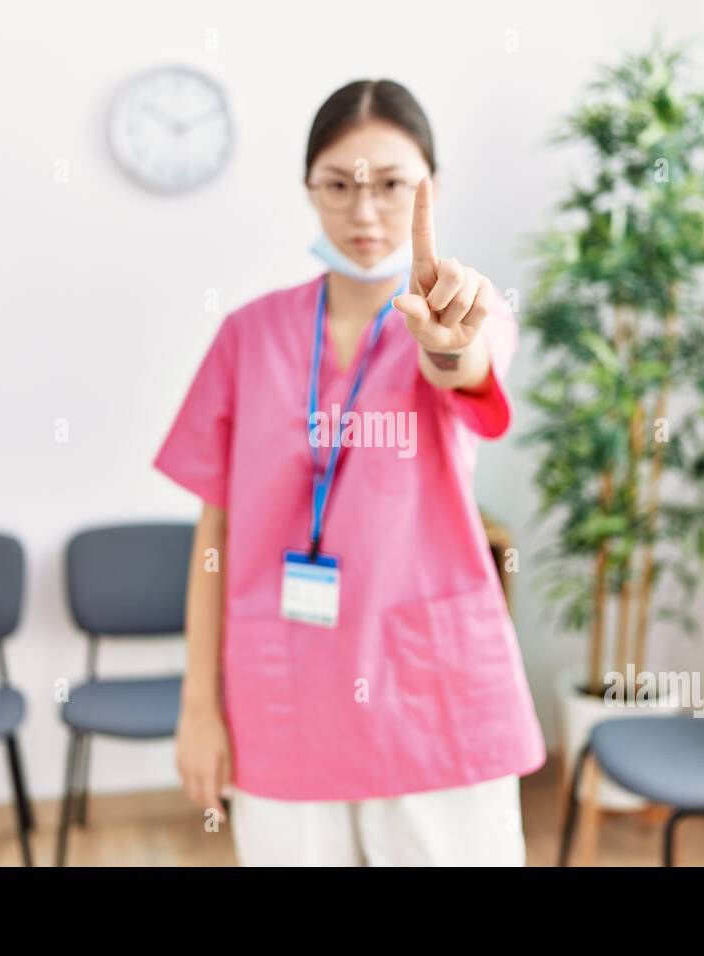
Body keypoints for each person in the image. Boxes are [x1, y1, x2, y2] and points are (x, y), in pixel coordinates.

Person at [154, 78, 546, 866]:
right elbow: (215, 531)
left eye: (393, 185)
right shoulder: (248, 335)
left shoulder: (463, 312)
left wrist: (446, 340)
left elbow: (462, 367)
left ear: (429, 187)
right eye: (338, 185)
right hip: (286, 692)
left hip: (433, 692)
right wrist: (200, 704)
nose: (364, 214)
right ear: (309, 189)